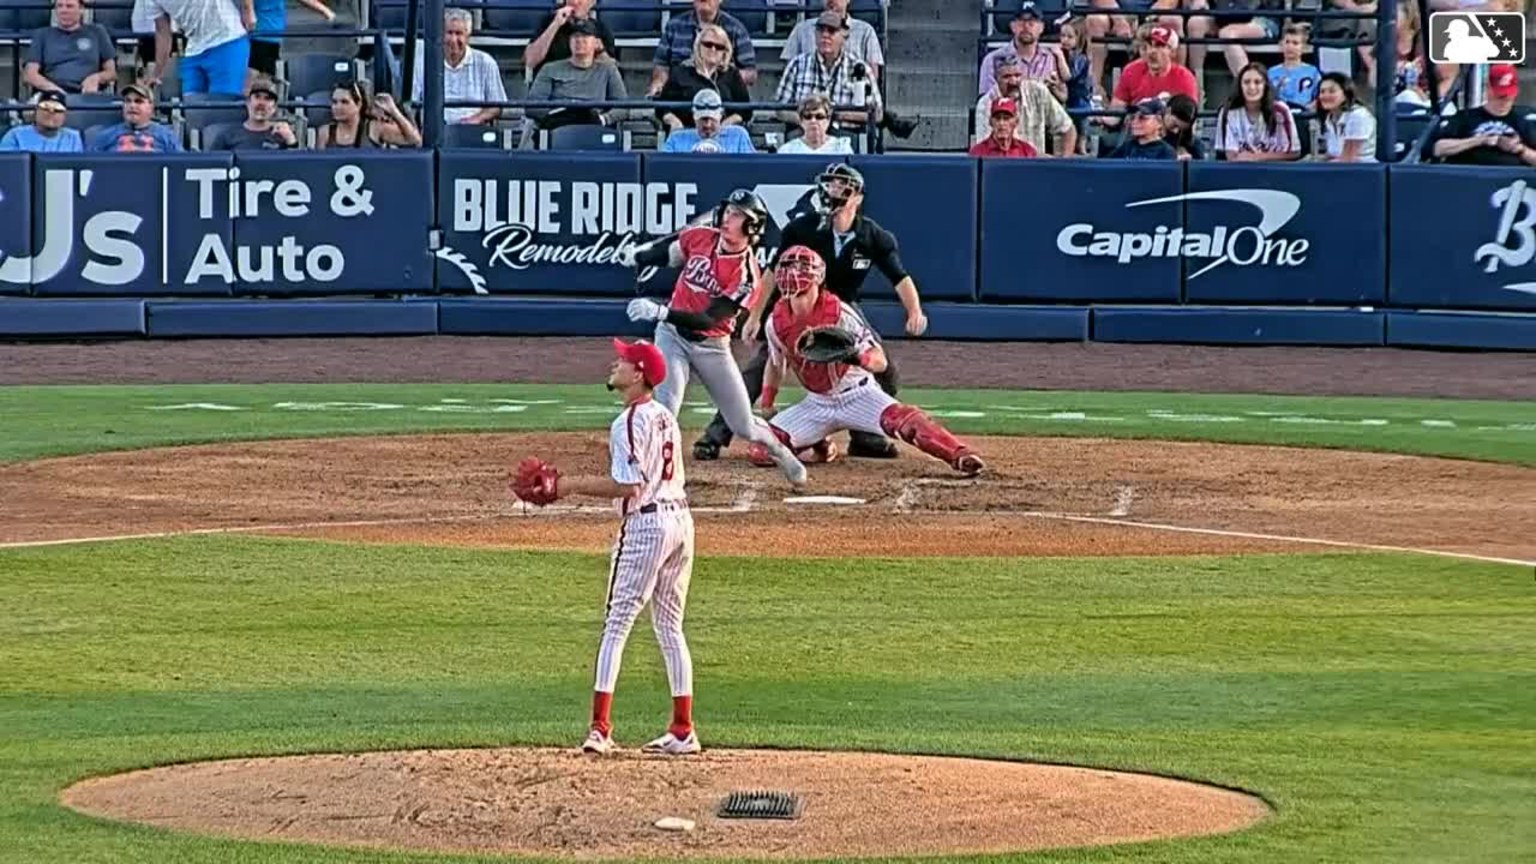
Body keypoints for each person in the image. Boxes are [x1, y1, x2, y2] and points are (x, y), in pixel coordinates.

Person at [508, 339, 701, 757]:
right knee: (670, 627)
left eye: (624, 361)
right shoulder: (664, 415)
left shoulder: (628, 422)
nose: (616, 363)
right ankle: (683, 730)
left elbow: (629, 486)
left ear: (639, 375)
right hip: (682, 522)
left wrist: (567, 486)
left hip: (648, 525)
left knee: (617, 622)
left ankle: (600, 729)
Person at [695, 164, 927, 462]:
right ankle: (715, 435)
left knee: (885, 369)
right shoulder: (803, 228)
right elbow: (771, 271)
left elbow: (899, 277)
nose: (832, 191)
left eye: (841, 186)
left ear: (857, 197)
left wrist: (914, 311)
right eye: (829, 185)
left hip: (841, 307)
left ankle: (866, 437)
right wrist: (754, 315)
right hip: (797, 304)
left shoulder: (874, 236)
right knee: (761, 367)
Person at [619, 190, 809, 489]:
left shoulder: (747, 275)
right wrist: (639, 255)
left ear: (752, 227)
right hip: (671, 337)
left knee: (743, 424)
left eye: (737, 215)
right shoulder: (703, 237)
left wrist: (660, 311)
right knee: (666, 405)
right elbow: (671, 253)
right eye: (729, 211)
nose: (728, 219)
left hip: (711, 346)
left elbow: (708, 318)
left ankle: (781, 451)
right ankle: (652, 473)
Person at [750, 245, 985, 477]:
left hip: (859, 394)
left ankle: (959, 454)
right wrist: (768, 401)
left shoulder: (840, 313)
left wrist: (857, 357)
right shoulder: (776, 321)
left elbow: (880, 361)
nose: (791, 272)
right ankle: (820, 446)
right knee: (761, 450)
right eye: (787, 266)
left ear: (818, 275)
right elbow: (775, 362)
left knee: (905, 422)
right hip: (817, 402)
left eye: (801, 267)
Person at [1429, 64, 1536, 167]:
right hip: (1470, 174)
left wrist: (1520, 149)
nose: (1505, 102)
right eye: (1500, 97)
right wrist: (1480, 140)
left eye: (1509, 97)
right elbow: (1438, 149)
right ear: (1488, 89)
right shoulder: (1466, 117)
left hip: (1511, 179)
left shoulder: (1523, 122)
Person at [145, 0, 253, 96]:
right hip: (193, 49)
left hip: (227, 41)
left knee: (223, 107)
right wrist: (157, 73)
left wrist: (248, 11)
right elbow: (162, 32)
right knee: (193, 110)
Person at [23, 0, 116, 95]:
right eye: (59, 6)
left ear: (81, 9)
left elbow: (111, 73)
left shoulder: (97, 32)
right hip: (52, 94)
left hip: (88, 94)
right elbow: (30, 74)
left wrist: (97, 78)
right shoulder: (42, 35)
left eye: (69, 6)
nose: (64, 10)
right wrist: (54, 90)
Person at [316, 81, 421, 149]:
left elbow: (414, 140)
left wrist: (393, 111)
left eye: (344, 102)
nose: (337, 107)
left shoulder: (374, 129)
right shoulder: (325, 133)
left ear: (358, 104)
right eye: (334, 102)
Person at [205, 77, 299, 150]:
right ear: (248, 103)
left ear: (274, 108)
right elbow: (214, 168)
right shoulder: (227, 135)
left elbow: (296, 169)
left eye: (267, 98)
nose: (261, 103)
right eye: (257, 97)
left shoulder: (280, 136)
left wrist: (290, 140)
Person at [90, 82, 182, 152]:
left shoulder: (167, 136)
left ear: (150, 107)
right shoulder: (106, 136)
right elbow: (87, 165)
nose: (132, 105)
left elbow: (181, 166)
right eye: (128, 101)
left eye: (138, 101)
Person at [660, 89, 755, 153]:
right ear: (694, 116)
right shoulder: (676, 139)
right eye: (703, 119)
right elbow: (661, 168)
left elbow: (754, 168)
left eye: (712, 119)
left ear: (720, 115)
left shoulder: (738, 136)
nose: (708, 125)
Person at [1314, 72, 1376, 162]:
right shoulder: (1329, 118)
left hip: (1360, 172)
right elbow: (1333, 154)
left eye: (1332, 91)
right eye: (1322, 92)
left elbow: (1348, 160)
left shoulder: (1358, 116)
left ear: (1346, 94)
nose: (1325, 96)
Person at [0, 91, 83, 152]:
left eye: (57, 109)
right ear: (36, 111)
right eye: (45, 107)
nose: (51, 112)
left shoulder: (73, 137)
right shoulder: (15, 135)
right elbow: (7, 168)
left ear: (64, 116)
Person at [968, 98, 1040, 157]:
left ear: (1016, 122)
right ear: (990, 122)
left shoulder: (1027, 152)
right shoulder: (978, 152)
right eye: (997, 118)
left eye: (1006, 118)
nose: (1001, 123)